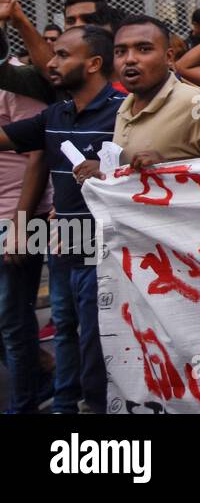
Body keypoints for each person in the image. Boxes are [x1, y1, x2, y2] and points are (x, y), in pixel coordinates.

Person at [0, 26, 124, 414]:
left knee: (94, 335)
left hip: (103, 241)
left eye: (62, 56)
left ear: (94, 63)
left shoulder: (124, 111)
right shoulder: (56, 113)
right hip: (63, 239)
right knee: (65, 329)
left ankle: (97, 406)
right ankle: (65, 405)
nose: (51, 64)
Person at [69, 16, 200, 184]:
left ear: (169, 57)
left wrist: (167, 169)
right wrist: (105, 170)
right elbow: (133, 174)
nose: (130, 59)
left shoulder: (198, 103)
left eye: (144, 49)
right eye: (120, 52)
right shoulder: (126, 105)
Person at [0, 80, 50, 413]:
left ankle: (24, 405)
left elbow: (39, 152)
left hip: (16, 217)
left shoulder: (17, 81)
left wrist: (21, 224)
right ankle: (41, 377)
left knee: (12, 321)